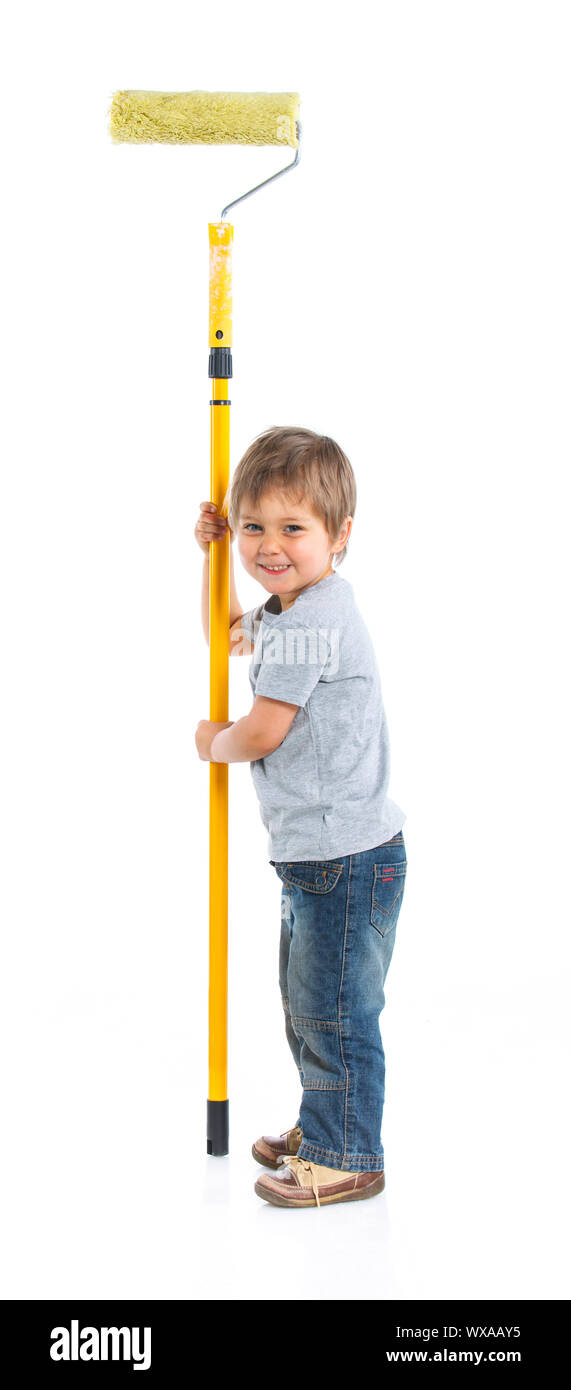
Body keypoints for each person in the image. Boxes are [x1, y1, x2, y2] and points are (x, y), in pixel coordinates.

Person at [194, 426, 407, 1209]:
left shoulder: (309, 621)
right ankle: (326, 1123)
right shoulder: (295, 608)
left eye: (293, 528)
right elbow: (224, 636)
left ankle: (347, 1151)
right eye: (252, 527)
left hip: (342, 855)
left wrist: (212, 744)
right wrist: (211, 560)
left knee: (333, 1011)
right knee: (310, 1004)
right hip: (324, 853)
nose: (268, 546)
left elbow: (262, 729)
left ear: (339, 535)